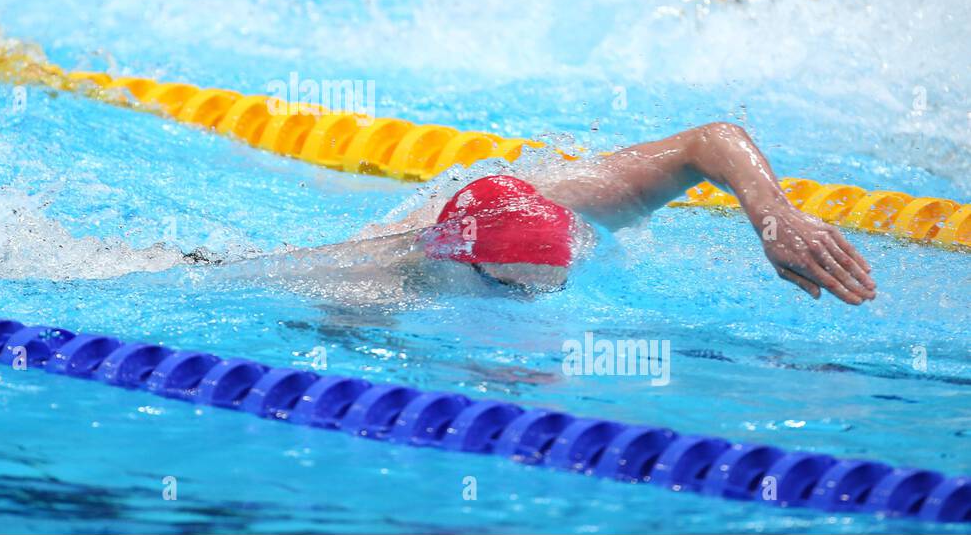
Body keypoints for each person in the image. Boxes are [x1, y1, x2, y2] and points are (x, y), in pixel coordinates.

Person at [350, 122, 876, 304]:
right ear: (467, 266)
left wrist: (774, 213)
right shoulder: (388, 268)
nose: (534, 300)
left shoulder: (572, 197)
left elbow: (711, 140)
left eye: (548, 285)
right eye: (513, 288)